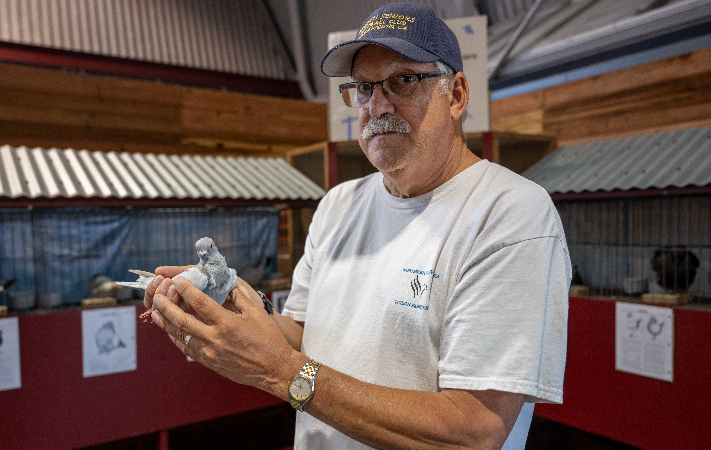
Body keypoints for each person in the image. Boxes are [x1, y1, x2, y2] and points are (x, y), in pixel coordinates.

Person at [143, 3, 571, 449]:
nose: (378, 104)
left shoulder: (509, 213)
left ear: (457, 95)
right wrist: (228, 299)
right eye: (364, 88)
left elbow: (474, 432)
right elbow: (305, 337)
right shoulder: (338, 205)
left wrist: (281, 373)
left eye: (404, 80)